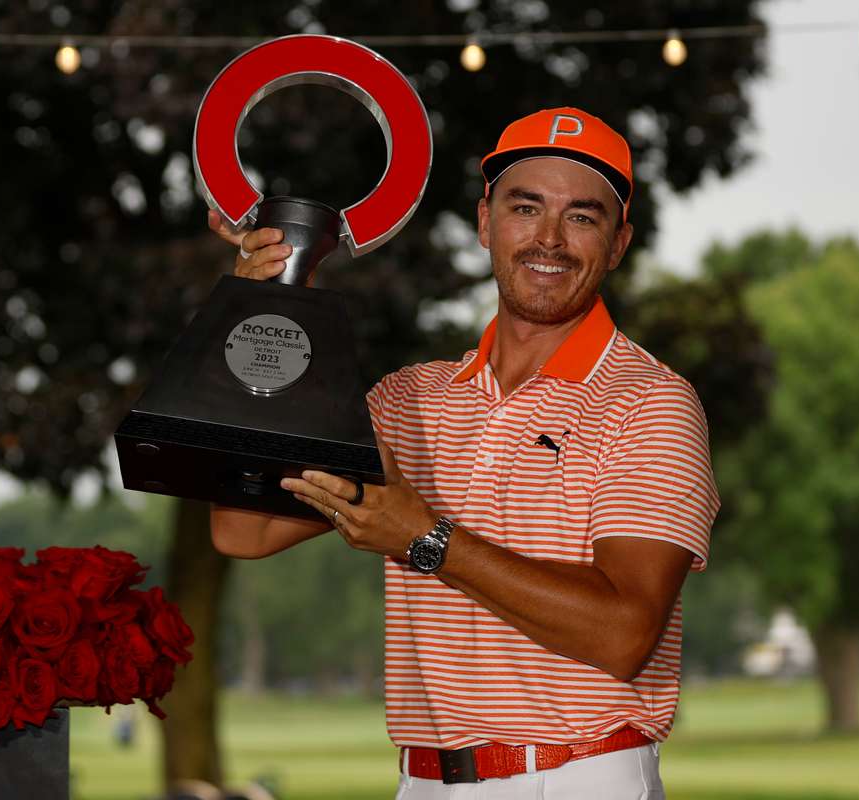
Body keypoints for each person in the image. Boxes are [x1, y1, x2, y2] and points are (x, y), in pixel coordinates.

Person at [209, 107, 719, 799]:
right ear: (485, 223)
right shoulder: (409, 398)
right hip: (422, 782)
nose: (548, 240)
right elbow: (243, 527)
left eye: (583, 217)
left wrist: (426, 538)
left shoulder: (649, 402)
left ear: (620, 240)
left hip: (575, 778)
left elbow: (624, 633)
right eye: (525, 207)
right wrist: (260, 313)